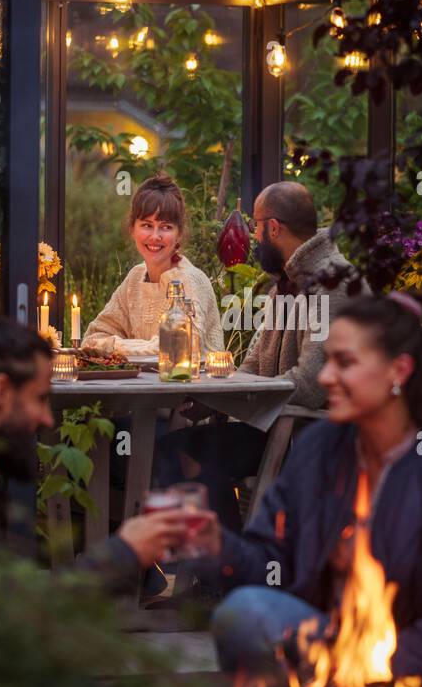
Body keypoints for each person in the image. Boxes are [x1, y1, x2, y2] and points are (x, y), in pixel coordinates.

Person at [183, 291, 422, 687]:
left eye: (345, 363)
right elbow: (272, 563)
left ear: (399, 371)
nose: (324, 377)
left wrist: (350, 661)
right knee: (244, 613)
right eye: (328, 360)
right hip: (331, 646)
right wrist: (216, 545)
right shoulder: (321, 448)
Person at [0, 279, 194, 596]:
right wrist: (124, 552)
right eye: (40, 399)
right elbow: (2, 614)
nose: (47, 418)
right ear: (0, 392)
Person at [155, 180, 365, 530]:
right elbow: (253, 364)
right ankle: (223, 570)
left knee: (183, 453)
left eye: (255, 226)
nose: (253, 235)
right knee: (174, 448)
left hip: (309, 434)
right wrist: (216, 400)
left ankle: (227, 571)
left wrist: (241, 397)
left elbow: (312, 385)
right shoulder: (285, 282)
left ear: (273, 227)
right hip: (274, 423)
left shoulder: (333, 283)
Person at [81, 173, 223, 356]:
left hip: (191, 383)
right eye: (147, 225)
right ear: (132, 228)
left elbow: (179, 348)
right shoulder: (135, 277)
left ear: (179, 234)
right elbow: (92, 338)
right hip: (143, 384)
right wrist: (125, 345)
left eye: (166, 227)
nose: (155, 236)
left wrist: (114, 345)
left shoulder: (189, 280)